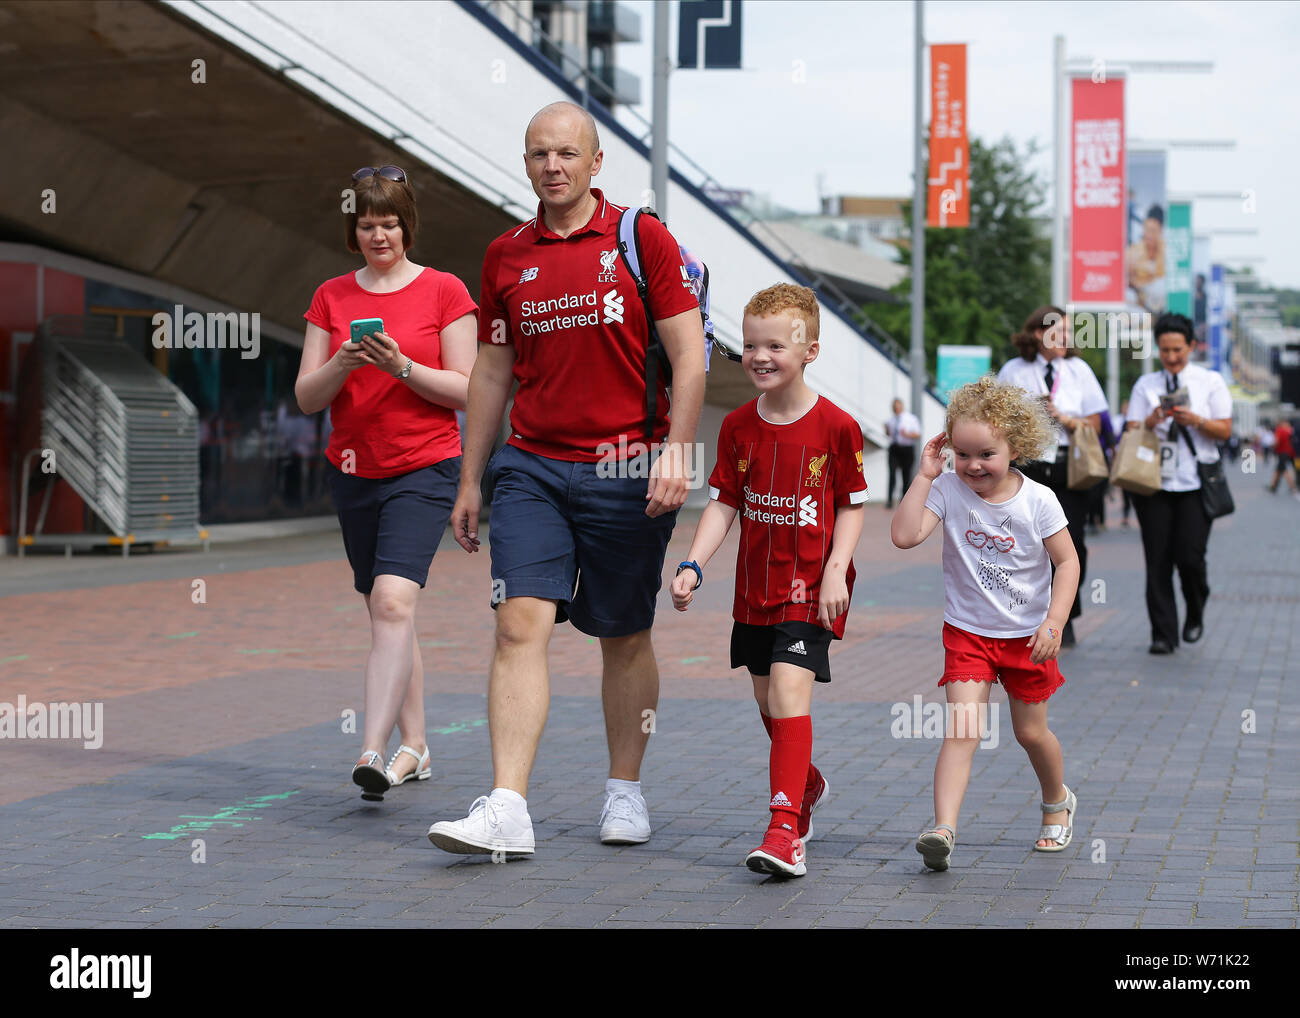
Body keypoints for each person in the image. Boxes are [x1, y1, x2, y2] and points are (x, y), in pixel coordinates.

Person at [426, 102, 706, 857]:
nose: (553, 166)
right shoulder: (504, 256)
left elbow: (689, 356)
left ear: (595, 161)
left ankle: (624, 790)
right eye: (538, 154)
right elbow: (492, 369)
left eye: (566, 153)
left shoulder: (640, 237)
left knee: (623, 633)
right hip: (533, 467)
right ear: (526, 164)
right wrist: (470, 478)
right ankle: (508, 808)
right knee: (519, 622)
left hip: (627, 468)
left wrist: (677, 452)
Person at [669, 284, 867, 878]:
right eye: (751, 344)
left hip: (811, 590)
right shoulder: (735, 427)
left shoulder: (838, 427)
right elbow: (725, 503)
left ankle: (784, 832)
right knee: (768, 702)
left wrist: (836, 569)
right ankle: (806, 782)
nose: (760, 355)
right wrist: (692, 563)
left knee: (787, 693)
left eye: (775, 345)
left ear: (809, 351)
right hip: (752, 592)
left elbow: (854, 506)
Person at [296, 165, 478, 800]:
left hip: (424, 466)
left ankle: (372, 749)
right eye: (368, 225)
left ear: (408, 227)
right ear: (354, 230)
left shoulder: (445, 292)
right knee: (386, 611)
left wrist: (401, 365)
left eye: (390, 224)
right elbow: (306, 398)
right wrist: (343, 363)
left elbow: (469, 388)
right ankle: (417, 746)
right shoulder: (332, 297)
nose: (379, 236)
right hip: (354, 472)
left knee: (393, 603)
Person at [891, 377, 1080, 871]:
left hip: (1027, 637)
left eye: (986, 454)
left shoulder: (1038, 500)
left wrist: (1055, 624)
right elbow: (905, 536)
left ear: (1015, 447)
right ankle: (943, 828)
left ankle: (1057, 803)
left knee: (1030, 734)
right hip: (968, 634)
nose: (973, 466)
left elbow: (1068, 563)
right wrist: (926, 475)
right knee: (963, 728)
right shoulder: (948, 488)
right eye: (963, 453)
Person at [997, 305, 1106, 647]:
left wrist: (1064, 417)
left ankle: (1066, 616)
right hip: (1028, 464)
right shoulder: (1014, 369)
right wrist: (1032, 414)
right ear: (1036, 334)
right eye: (1056, 332)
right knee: (1025, 542)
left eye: (1067, 333)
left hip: (1067, 464)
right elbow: (997, 419)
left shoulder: (1078, 370)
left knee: (1071, 542)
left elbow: (1097, 424)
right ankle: (1026, 612)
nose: (1064, 339)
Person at [1124, 312, 1233, 655]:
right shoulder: (1147, 385)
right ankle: (1162, 634)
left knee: (1190, 558)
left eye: (1177, 350)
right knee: (1157, 560)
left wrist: (1197, 420)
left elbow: (1225, 430)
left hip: (1195, 482)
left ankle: (1196, 606)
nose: (1171, 357)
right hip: (1153, 483)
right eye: (1164, 350)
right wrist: (1152, 419)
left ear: (1192, 347)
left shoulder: (1209, 382)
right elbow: (1130, 430)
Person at [884, 397, 921, 509]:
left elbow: (918, 434)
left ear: (901, 406)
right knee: (892, 474)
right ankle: (890, 500)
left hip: (907, 448)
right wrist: (886, 430)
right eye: (894, 407)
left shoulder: (911, 419)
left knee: (906, 475)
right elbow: (889, 434)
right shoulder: (891, 420)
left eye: (898, 406)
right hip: (894, 448)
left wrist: (907, 434)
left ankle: (903, 500)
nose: (896, 409)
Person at [1268, 418, 1297, 496]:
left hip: (1282, 452)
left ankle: (1293, 486)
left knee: (1283, 469)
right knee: (1279, 469)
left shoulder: (1280, 430)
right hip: (1291, 452)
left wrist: (1271, 446)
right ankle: (1273, 485)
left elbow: (1277, 442)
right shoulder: (1290, 430)